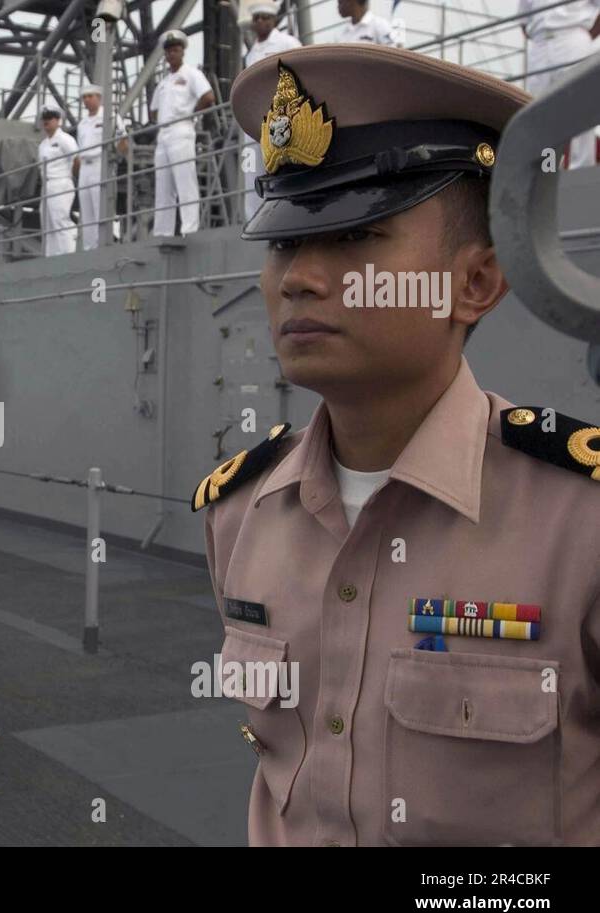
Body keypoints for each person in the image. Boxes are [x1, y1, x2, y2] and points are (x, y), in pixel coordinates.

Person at [194, 43, 600, 846]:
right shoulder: (238, 514)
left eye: (355, 237)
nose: (300, 277)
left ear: (475, 282)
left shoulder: (580, 525)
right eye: (282, 242)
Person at [518, 0, 600, 169]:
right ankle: (547, 168)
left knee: (580, 105)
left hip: (572, 35)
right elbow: (524, 21)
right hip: (539, 44)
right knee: (537, 110)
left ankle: (581, 169)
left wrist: (588, 34)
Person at [150, 30, 215, 237]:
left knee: (185, 181)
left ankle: (189, 228)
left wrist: (191, 114)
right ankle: (163, 231)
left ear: (182, 52)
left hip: (181, 129)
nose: (172, 54)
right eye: (169, 51)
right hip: (163, 134)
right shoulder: (163, 82)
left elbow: (208, 96)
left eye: (175, 50)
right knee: (163, 186)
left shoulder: (192, 74)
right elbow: (153, 111)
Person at [241, 3, 301, 221]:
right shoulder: (250, 54)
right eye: (256, 18)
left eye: (265, 18)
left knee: (284, 162)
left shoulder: (287, 43)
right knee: (253, 169)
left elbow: (301, 73)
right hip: (256, 115)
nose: (260, 22)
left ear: (274, 20)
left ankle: (289, 209)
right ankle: (256, 216)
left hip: (281, 112)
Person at [74, 84, 129, 250]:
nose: (86, 100)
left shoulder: (110, 117)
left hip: (100, 164)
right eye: (84, 97)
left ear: (99, 98)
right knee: (87, 212)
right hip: (85, 168)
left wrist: (114, 160)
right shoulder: (82, 123)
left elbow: (123, 141)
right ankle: (90, 248)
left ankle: (104, 245)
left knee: (101, 209)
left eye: (90, 96)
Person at [38, 106, 79, 256]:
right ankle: (51, 257)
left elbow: (76, 159)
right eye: (44, 119)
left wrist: (70, 176)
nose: (46, 121)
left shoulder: (65, 139)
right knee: (47, 223)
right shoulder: (43, 144)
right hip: (47, 185)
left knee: (60, 220)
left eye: (50, 118)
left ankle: (66, 254)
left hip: (61, 182)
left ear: (58, 120)